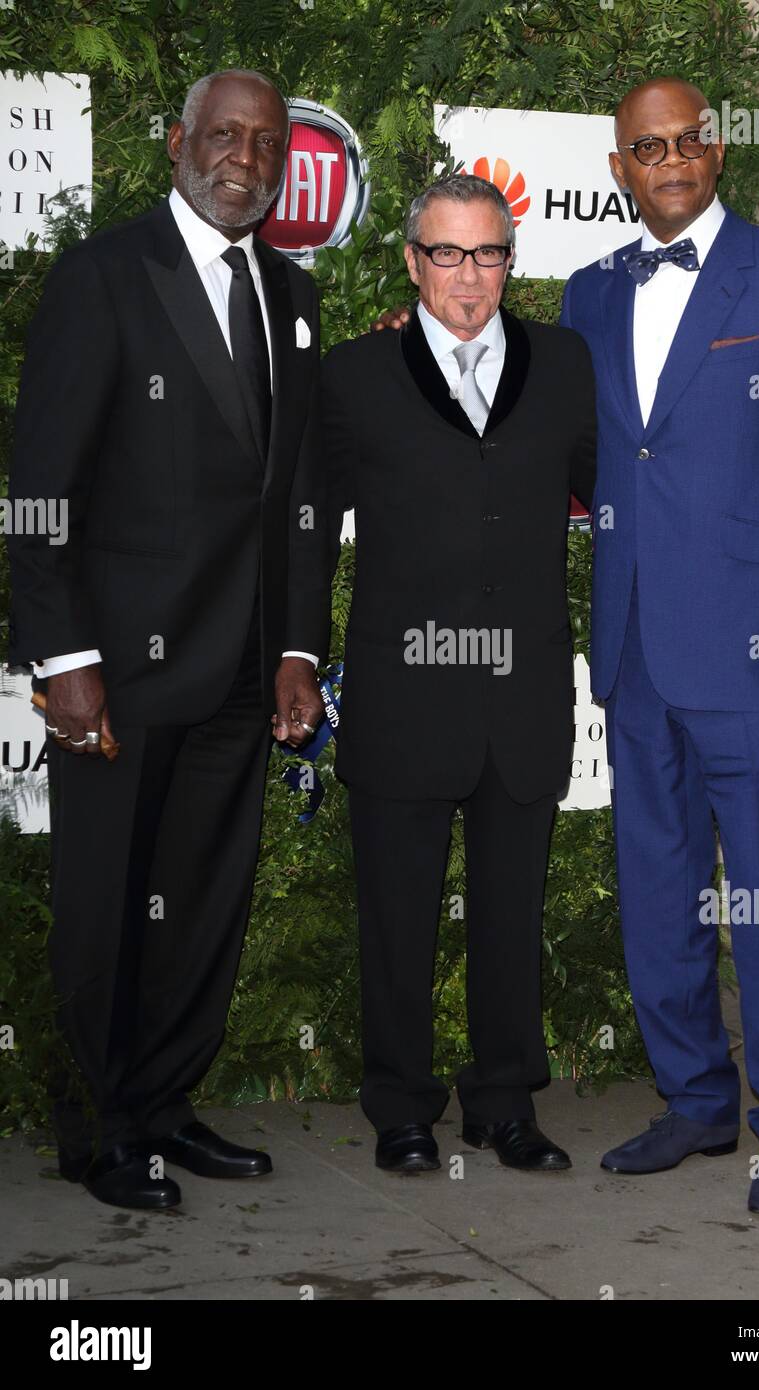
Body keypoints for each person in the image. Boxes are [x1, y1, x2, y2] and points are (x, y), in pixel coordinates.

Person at [7, 69, 327, 1210]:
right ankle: (100, 1132)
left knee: (200, 903)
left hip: (241, 673)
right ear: (180, 146)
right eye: (223, 135)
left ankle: (166, 1106)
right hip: (121, 677)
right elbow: (39, 489)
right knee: (108, 900)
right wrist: (62, 660)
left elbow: (296, 496)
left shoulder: (293, 293)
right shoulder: (104, 277)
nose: (244, 156)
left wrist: (297, 646)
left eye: (265, 141)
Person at [560, 76, 759, 1213]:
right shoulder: (587, 292)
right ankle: (694, 1099)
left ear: (719, 151)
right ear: (620, 170)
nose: (672, 159)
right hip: (636, 648)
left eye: (689, 140)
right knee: (658, 888)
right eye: (648, 147)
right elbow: (575, 446)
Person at [322, 174, 595, 1173]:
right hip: (404, 694)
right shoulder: (355, 375)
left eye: (486, 254)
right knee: (394, 915)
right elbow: (303, 530)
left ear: (509, 261)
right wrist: (297, 652)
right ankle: (399, 1105)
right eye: (446, 253)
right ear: (410, 260)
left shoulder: (565, 365)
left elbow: (619, 503)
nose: (468, 277)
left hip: (521, 695)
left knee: (510, 913)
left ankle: (503, 1101)